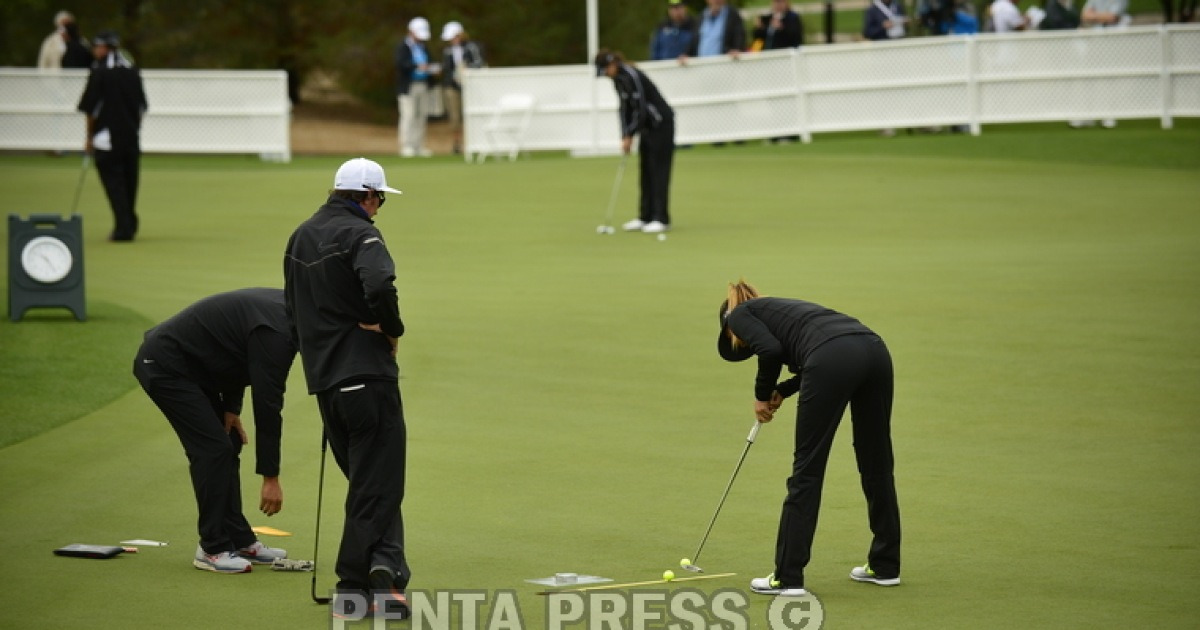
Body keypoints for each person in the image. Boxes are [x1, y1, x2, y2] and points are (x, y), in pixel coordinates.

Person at [283, 158, 410, 617]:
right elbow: (379, 283)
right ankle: (353, 585)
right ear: (367, 196)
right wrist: (391, 328)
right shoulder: (362, 234)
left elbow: (291, 310)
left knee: (371, 484)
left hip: (326, 383)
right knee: (378, 486)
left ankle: (386, 572)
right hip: (367, 378)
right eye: (379, 200)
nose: (378, 208)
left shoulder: (300, 235)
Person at [716, 280, 901, 597]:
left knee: (807, 470)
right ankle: (885, 566)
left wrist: (761, 395)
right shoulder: (785, 312)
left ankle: (787, 577)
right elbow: (819, 352)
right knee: (877, 461)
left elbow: (772, 351)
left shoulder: (739, 314)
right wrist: (782, 390)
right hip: (875, 351)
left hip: (833, 357)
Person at [133, 288, 296, 574]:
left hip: (198, 368)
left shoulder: (292, 310)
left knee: (229, 441)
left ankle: (240, 539)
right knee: (212, 449)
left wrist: (231, 409)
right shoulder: (277, 332)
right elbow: (268, 405)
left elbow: (238, 356)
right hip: (165, 365)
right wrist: (270, 477)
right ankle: (212, 547)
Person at [595, 50, 675, 235]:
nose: (605, 75)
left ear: (612, 64)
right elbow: (624, 108)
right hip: (647, 126)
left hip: (661, 124)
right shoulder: (618, 80)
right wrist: (625, 134)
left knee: (658, 170)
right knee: (646, 169)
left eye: (605, 70)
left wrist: (630, 134)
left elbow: (640, 108)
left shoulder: (632, 75)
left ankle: (661, 218)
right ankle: (645, 216)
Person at [77, 30, 147, 242]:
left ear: (104, 48)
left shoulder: (99, 71)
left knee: (115, 185)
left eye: (96, 46)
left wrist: (89, 137)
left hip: (106, 139)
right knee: (130, 182)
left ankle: (123, 228)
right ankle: (129, 223)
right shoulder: (132, 70)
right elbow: (141, 107)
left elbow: (92, 109)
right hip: (131, 137)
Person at [440, 21, 485, 156]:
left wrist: (467, 69)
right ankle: (457, 144)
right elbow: (446, 69)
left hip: (471, 87)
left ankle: (476, 142)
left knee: (472, 115)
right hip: (452, 87)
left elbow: (479, 63)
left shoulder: (471, 47)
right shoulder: (448, 51)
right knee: (455, 117)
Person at [396, 17, 434, 157]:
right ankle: (407, 145)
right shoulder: (403, 47)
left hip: (423, 85)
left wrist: (431, 69)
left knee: (421, 116)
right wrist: (416, 66)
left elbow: (429, 61)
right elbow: (400, 64)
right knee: (409, 116)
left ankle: (419, 146)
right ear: (411, 32)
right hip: (408, 87)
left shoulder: (423, 47)